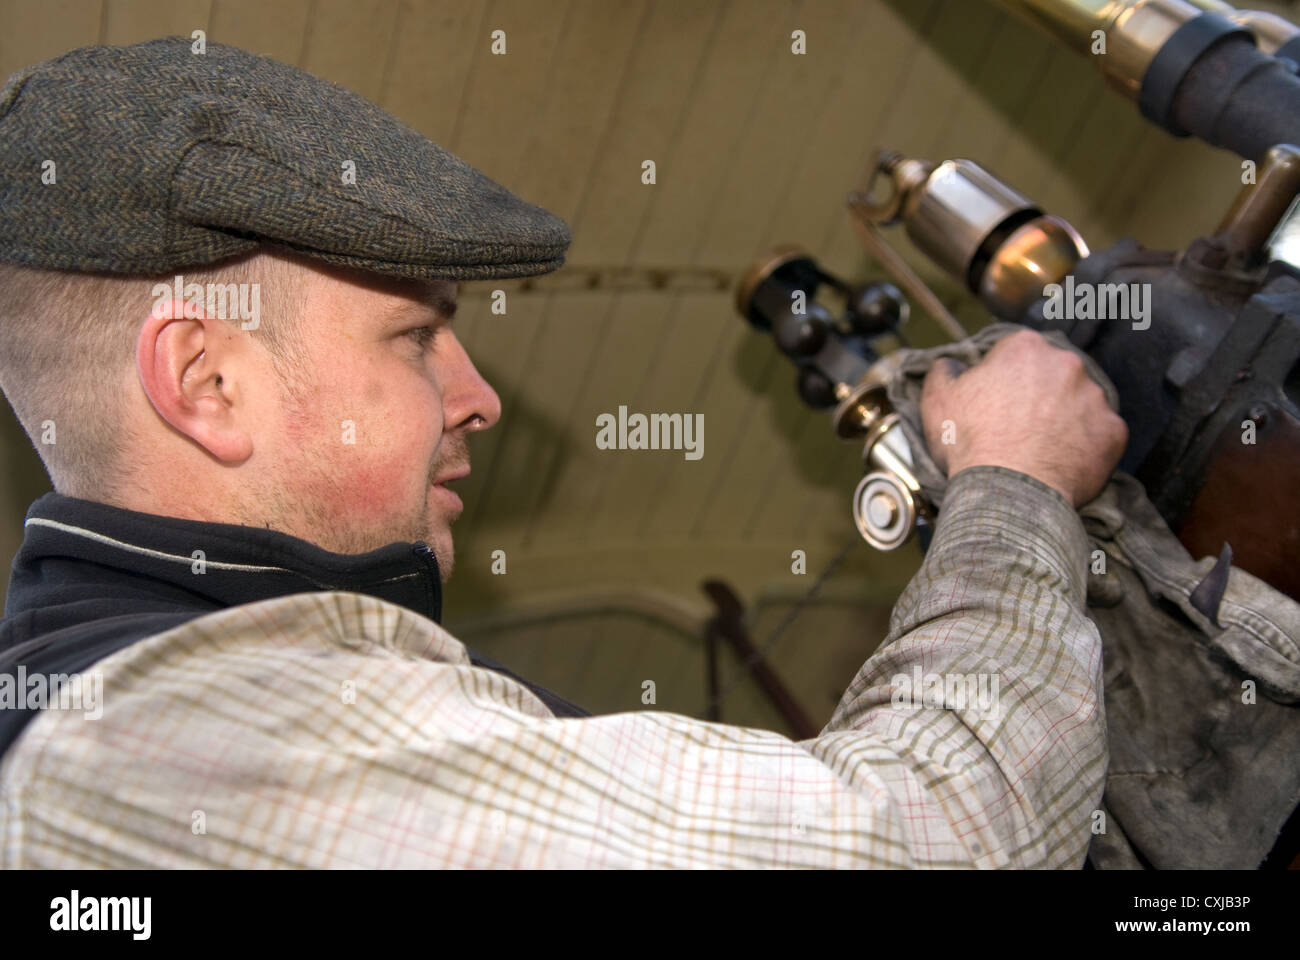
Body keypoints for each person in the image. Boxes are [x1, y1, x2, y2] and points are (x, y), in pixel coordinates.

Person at [0, 37, 1126, 868]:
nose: (481, 398)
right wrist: (1013, 484)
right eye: (418, 337)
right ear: (206, 383)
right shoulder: (172, 739)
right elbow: (943, 840)